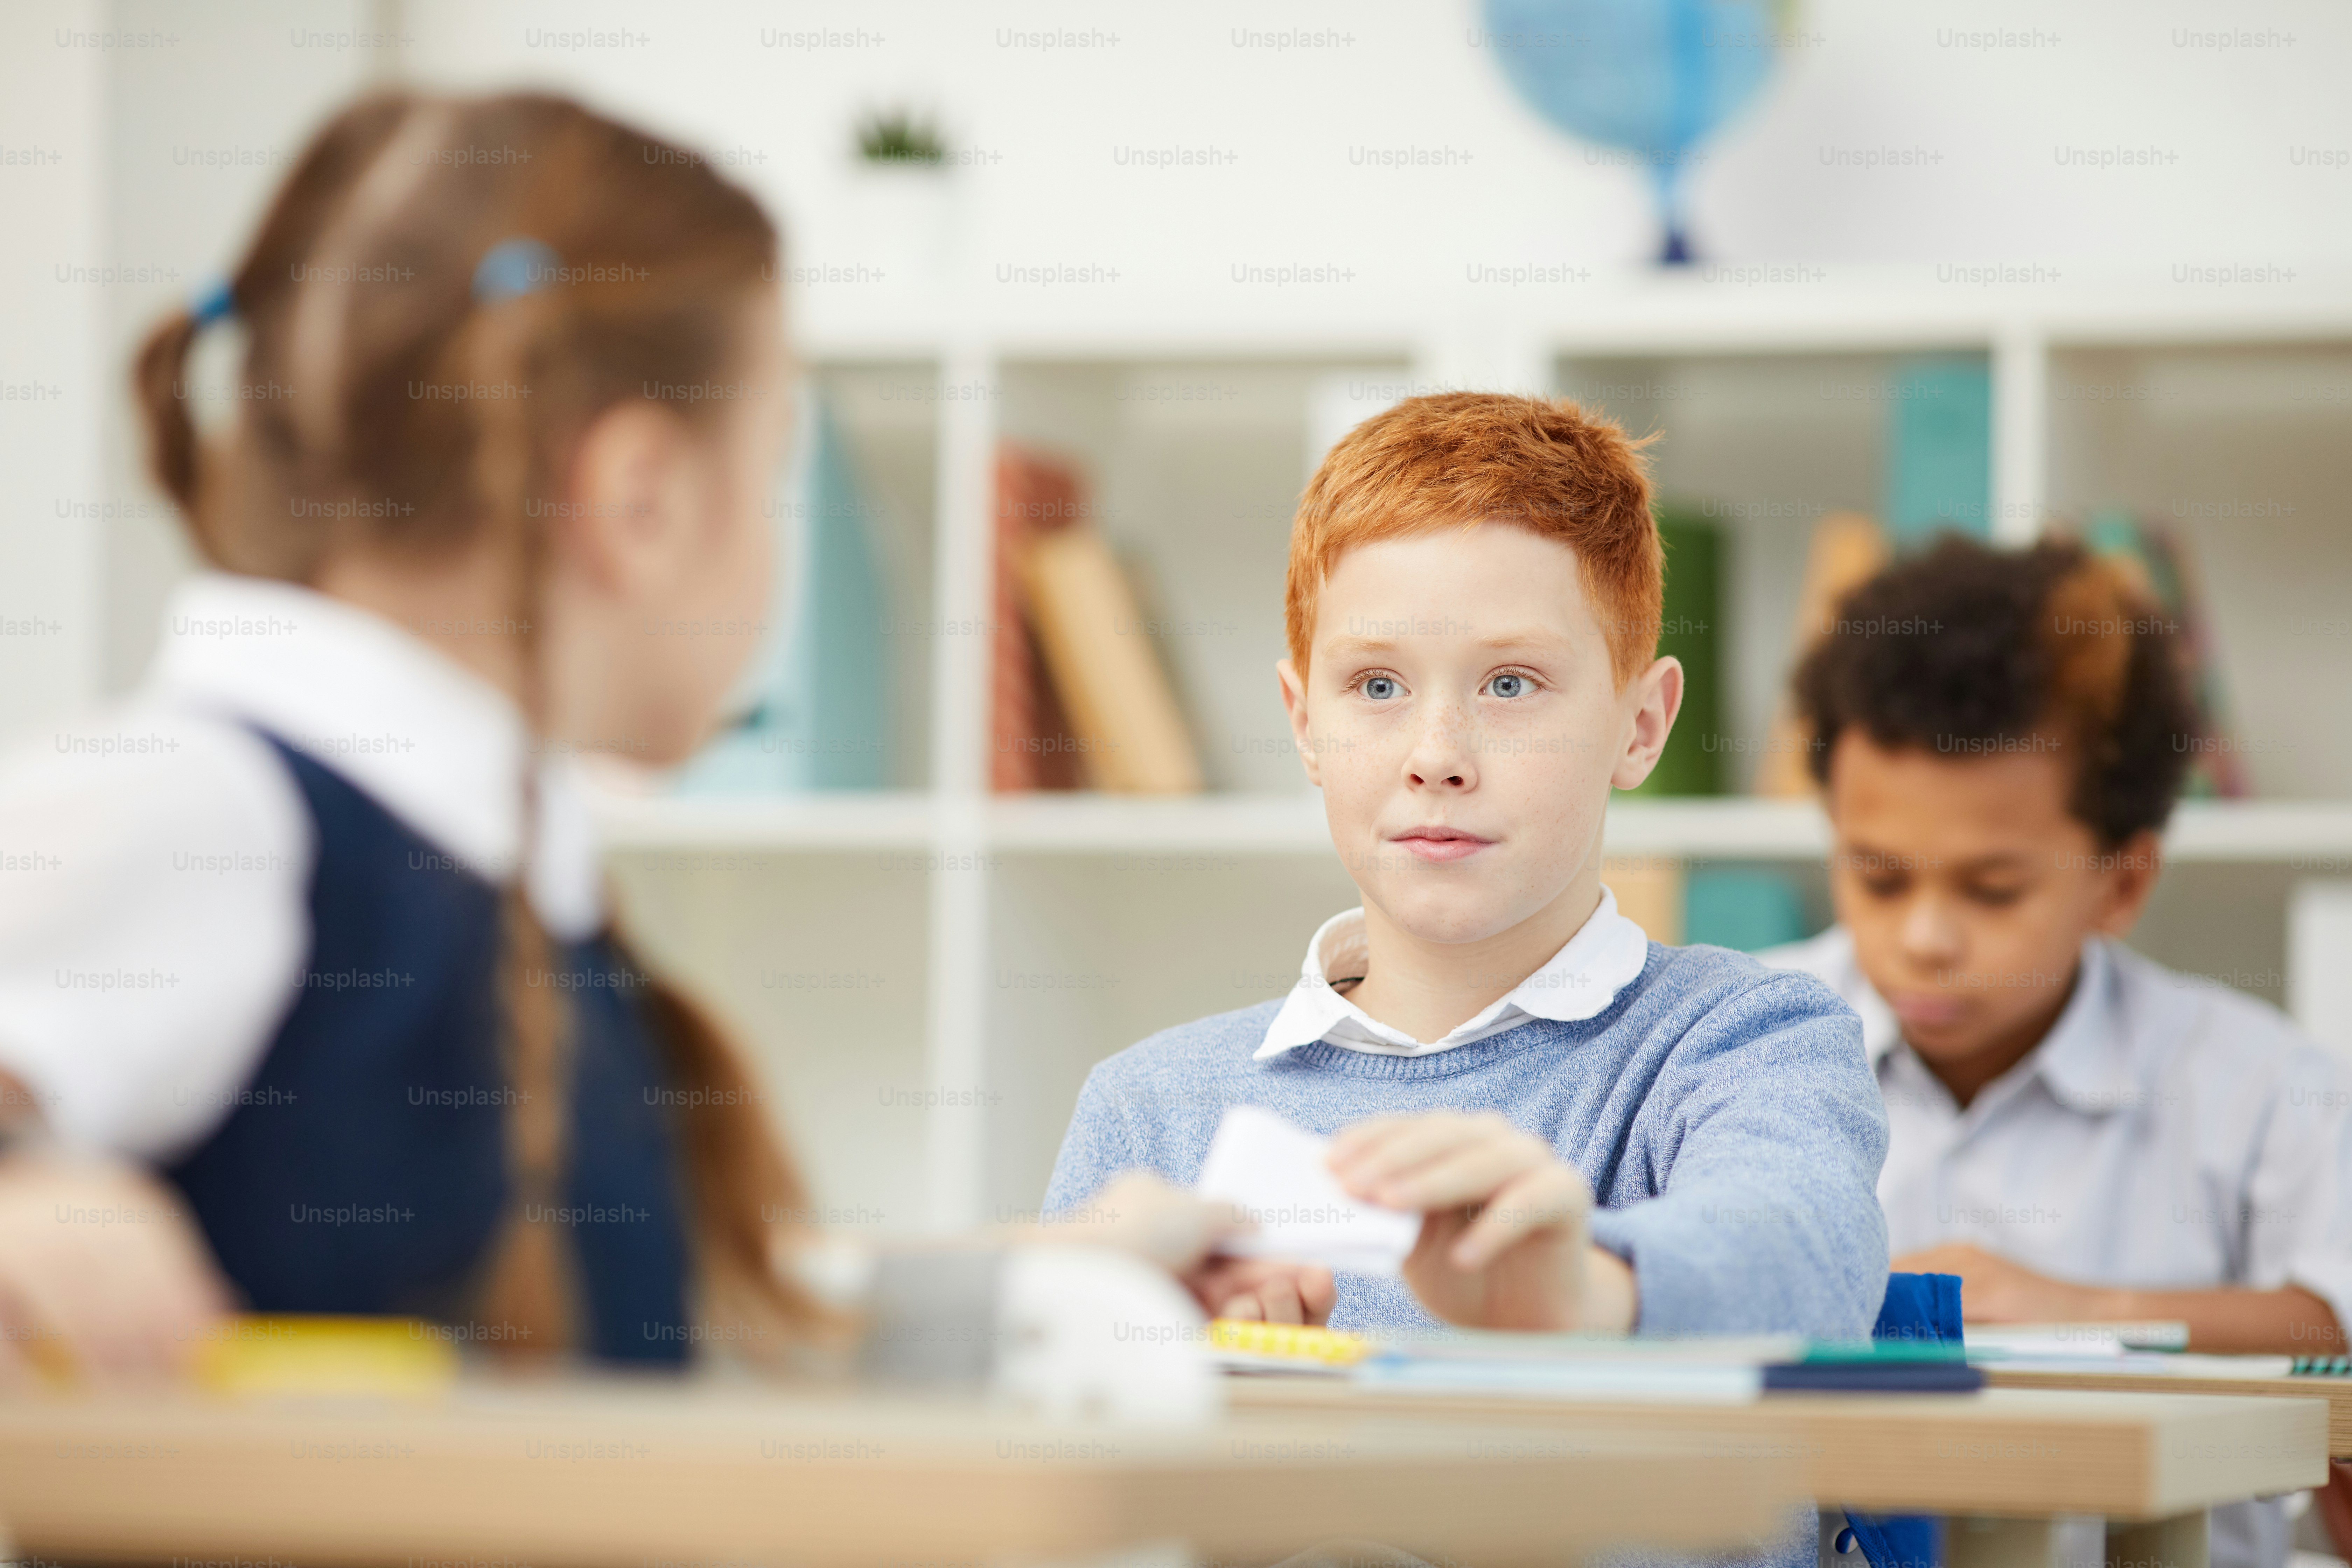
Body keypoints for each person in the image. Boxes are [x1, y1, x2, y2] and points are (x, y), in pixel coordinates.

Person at [0, 90, 1250, 1382]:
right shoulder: (210, 806)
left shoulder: (508, 872)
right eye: (768, 477)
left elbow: (679, 1340)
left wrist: (1070, 1272)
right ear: (639, 501)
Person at [1044, 392, 1891, 1348]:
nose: (1437, 754)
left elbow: (1807, 1264)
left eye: (1510, 684)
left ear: (1642, 726)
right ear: (1303, 722)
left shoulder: (1748, 1041)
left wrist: (1575, 1293)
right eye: (1376, 686)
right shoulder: (1151, 1109)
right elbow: (1046, 1452)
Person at [1765, 535, 2352, 1568]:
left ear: (2123, 885)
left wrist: (2088, 1317)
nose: (1925, 940)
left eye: (1992, 890)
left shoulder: (2262, 1089)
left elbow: (2333, 1330)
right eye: (1878, 878)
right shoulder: (1737, 1041)